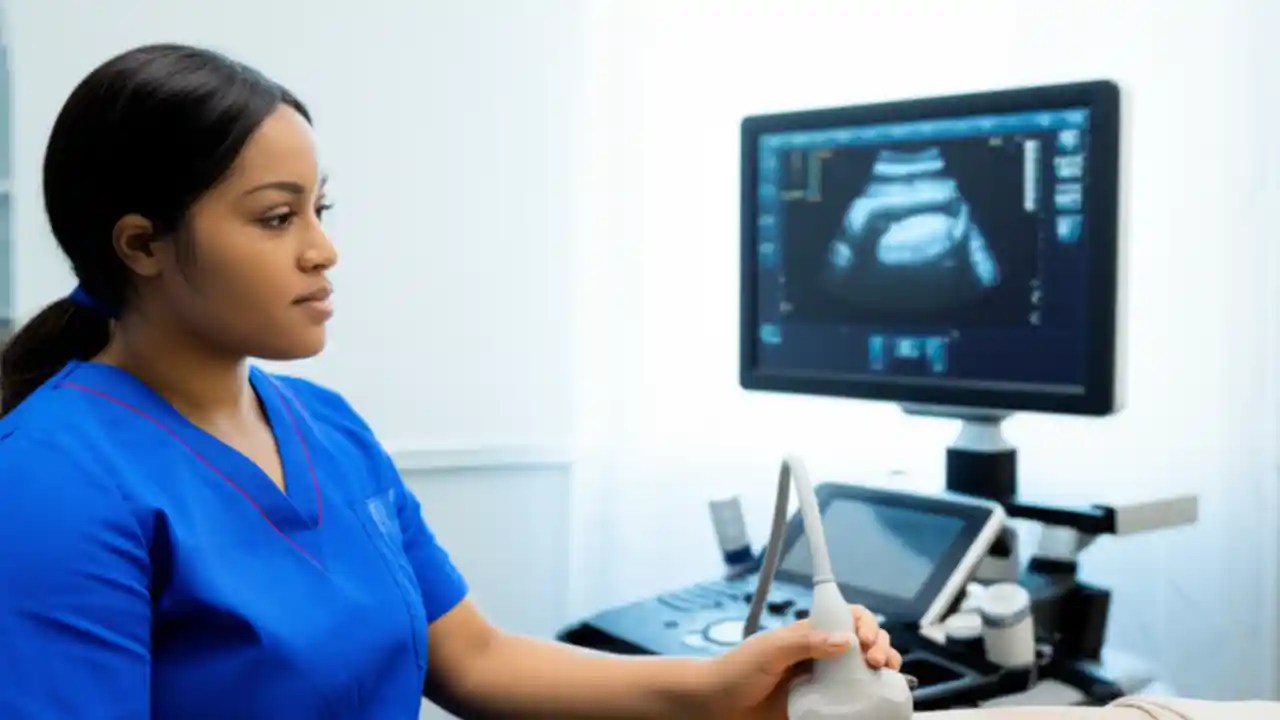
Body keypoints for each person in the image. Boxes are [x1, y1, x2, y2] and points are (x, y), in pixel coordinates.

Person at [0, 43, 902, 719]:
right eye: (277, 217)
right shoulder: (51, 479)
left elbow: (472, 660)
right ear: (141, 244)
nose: (323, 249)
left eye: (320, 208)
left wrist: (719, 688)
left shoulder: (326, 427)